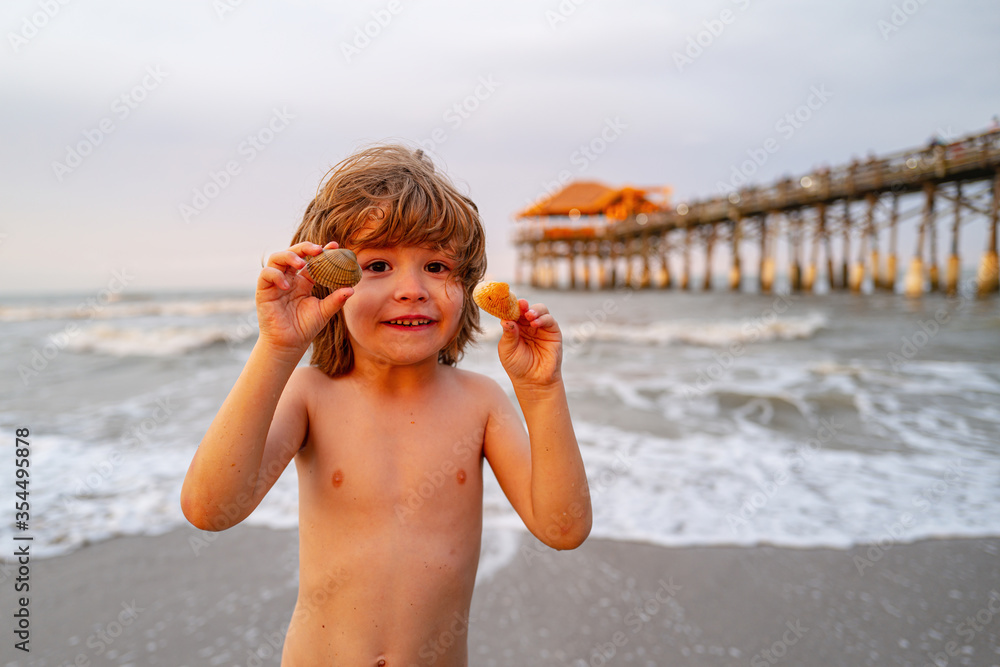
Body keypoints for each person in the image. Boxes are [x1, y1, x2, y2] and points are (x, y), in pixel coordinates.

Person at [180, 145, 592, 666]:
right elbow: (211, 510)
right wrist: (278, 348)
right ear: (329, 280)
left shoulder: (480, 403)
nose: (412, 290)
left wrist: (541, 391)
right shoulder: (311, 396)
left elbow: (564, 527)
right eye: (377, 264)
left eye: (437, 266)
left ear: (465, 287)